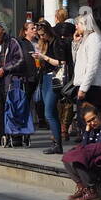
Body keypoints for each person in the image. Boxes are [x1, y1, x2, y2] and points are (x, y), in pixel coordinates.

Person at [61, 102, 101, 200]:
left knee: (79, 160)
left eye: (93, 118)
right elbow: (84, 147)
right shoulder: (92, 130)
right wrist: (87, 131)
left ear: (98, 115)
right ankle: (83, 188)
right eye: (89, 121)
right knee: (69, 158)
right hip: (100, 161)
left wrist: (93, 150)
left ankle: (92, 191)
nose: (92, 122)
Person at [31, 20, 65, 154]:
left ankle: (57, 143)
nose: (41, 37)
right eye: (39, 35)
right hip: (45, 77)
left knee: (49, 112)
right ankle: (56, 142)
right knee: (51, 112)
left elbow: (60, 62)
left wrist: (43, 57)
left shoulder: (57, 43)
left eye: (43, 34)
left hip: (54, 77)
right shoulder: (44, 43)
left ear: (49, 31)